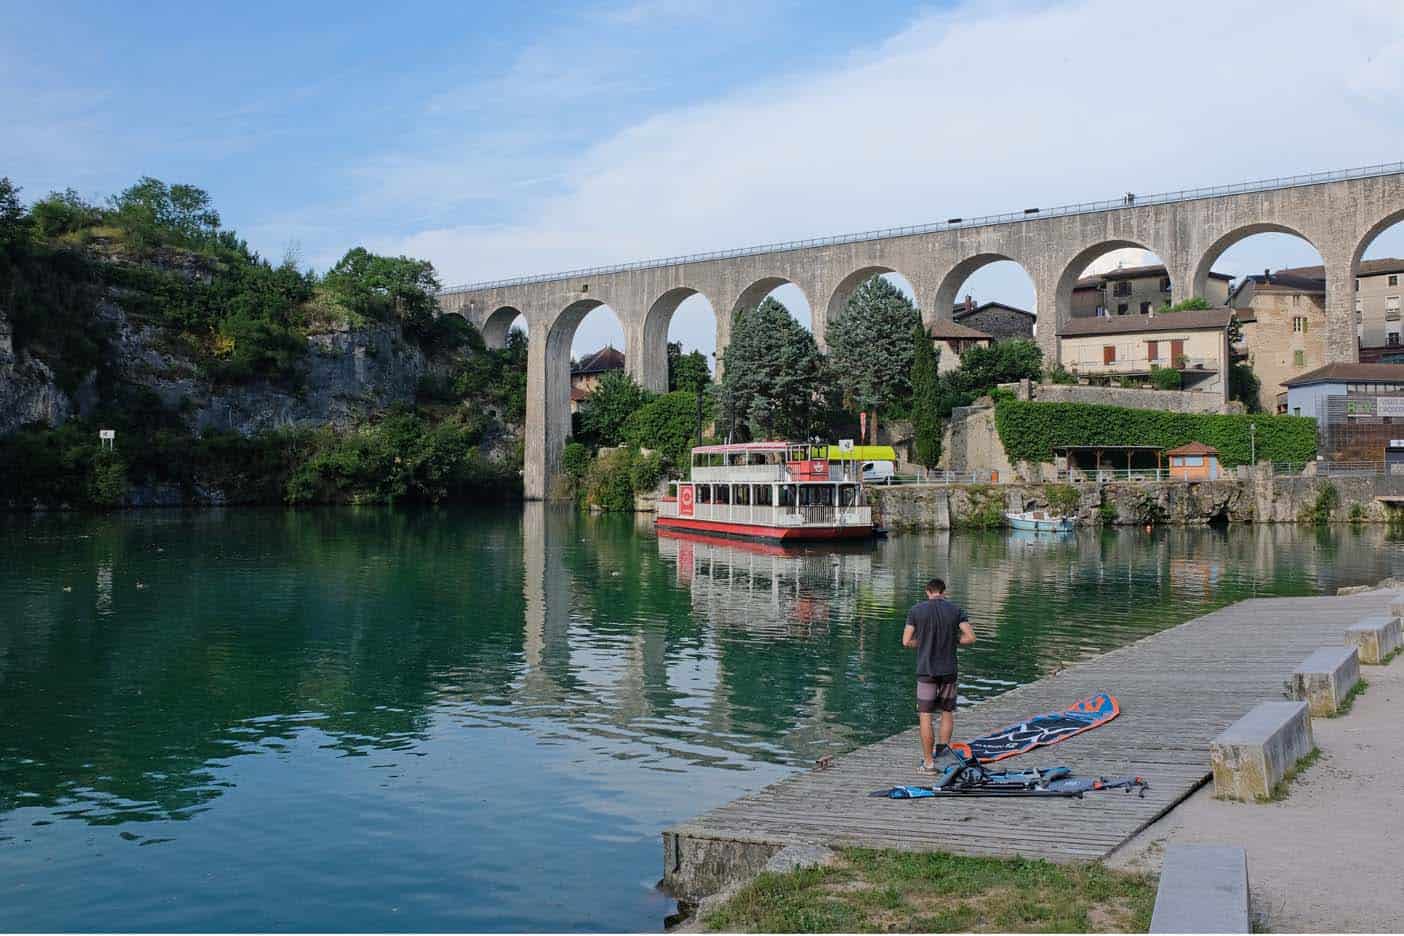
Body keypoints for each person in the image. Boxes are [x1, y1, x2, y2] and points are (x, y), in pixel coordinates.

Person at [902, 577, 976, 771]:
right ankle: (944, 757)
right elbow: (970, 637)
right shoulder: (955, 610)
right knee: (946, 712)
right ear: (943, 592)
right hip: (949, 670)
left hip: (926, 671)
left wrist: (924, 642)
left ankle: (929, 764)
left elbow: (906, 641)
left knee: (925, 715)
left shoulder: (916, 611)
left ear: (927, 592)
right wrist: (953, 641)